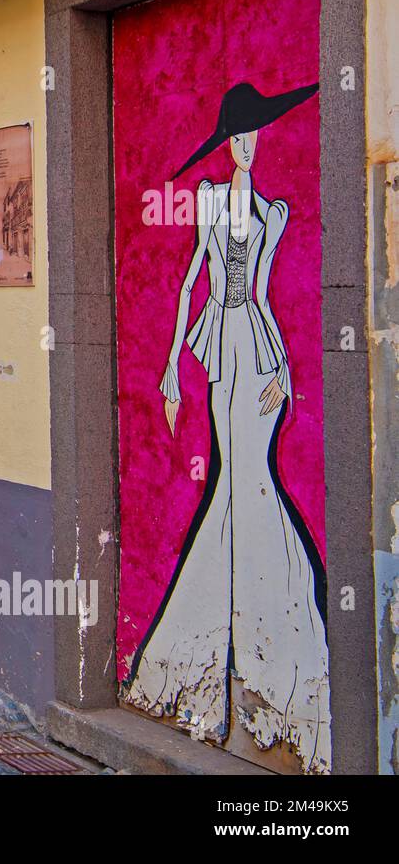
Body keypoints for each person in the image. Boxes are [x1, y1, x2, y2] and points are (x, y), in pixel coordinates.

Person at [123, 81, 329, 773]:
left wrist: (290, 377)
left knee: (254, 479)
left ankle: (266, 653)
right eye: (240, 136)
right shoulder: (212, 204)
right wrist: (169, 372)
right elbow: (188, 286)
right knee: (233, 481)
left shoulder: (272, 212)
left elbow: (268, 300)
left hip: (259, 353)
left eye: (256, 135)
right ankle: (219, 652)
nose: (249, 145)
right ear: (227, 142)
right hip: (218, 356)